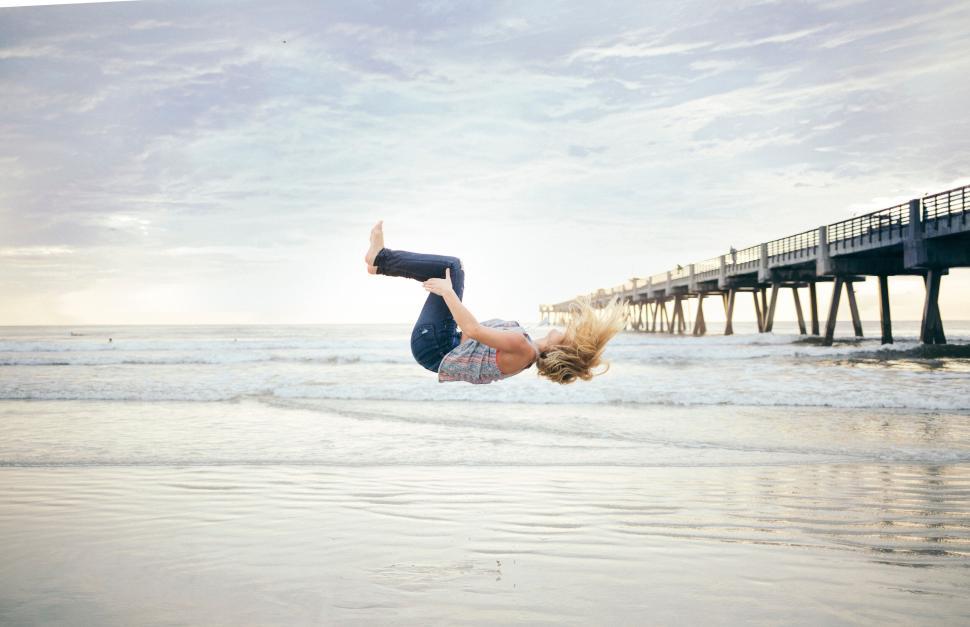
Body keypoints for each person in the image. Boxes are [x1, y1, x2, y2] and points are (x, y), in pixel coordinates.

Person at [364, 221, 625, 384]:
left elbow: (475, 330)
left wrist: (448, 293)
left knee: (451, 267)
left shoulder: (523, 346)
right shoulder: (525, 354)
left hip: (435, 344)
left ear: (564, 349)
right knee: (450, 270)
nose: (569, 329)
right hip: (437, 347)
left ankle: (380, 259)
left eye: (573, 335)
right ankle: (379, 263)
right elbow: (472, 342)